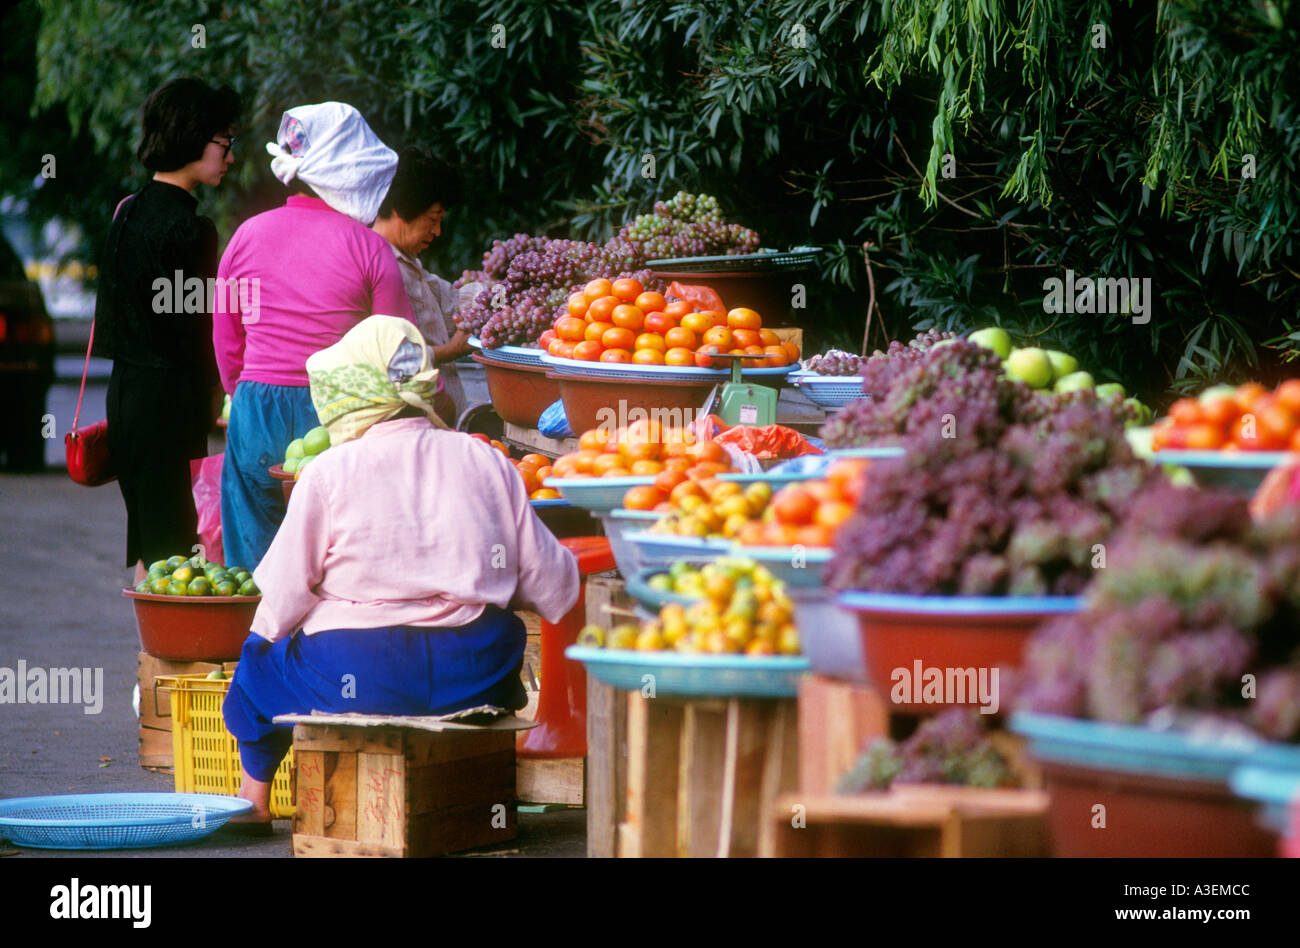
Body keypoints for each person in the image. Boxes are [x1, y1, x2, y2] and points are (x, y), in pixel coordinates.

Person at [221, 315, 579, 827]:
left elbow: (283, 597)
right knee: (503, 628)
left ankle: (254, 801)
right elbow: (553, 584)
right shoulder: (485, 460)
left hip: (359, 675)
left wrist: (261, 652)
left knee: (258, 662)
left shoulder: (327, 473)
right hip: (473, 671)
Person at [213, 102, 414, 570]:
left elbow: (225, 338)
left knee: (254, 563)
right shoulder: (370, 247)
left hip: (255, 407)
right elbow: (399, 352)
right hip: (339, 413)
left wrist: (242, 395)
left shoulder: (245, 235)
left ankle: (259, 620)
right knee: (334, 559)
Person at [92, 77, 239, 579]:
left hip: (125, 398)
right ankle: (161, 635)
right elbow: (198, 332)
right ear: (192, 137)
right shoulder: (190, 229)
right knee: (175, 556)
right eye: (224, 142)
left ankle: (146, 634)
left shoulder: (126, 212)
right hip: (168, 405)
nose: (230, 156)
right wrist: (220, 391)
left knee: (150, 545)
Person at [372, 147, 474, 424]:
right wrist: (450, 351)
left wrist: (501, 292)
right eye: (432, 219)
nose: (437, 231)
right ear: (402, 210)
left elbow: (458, 301)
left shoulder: (410, 265)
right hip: (410, 420)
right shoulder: (378, 267)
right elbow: (384, 356)